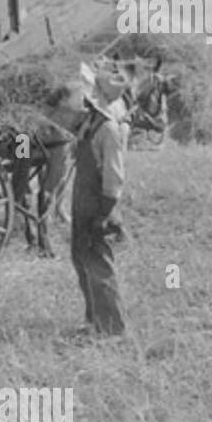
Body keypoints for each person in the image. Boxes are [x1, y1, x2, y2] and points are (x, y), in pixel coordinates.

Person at [68, 66, 131, 336]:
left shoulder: (108, 130)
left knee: (100, 266)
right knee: (81, 260)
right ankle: (94, 321)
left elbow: (114, 181)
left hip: (98, 206)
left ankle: (114, 330)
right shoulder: (88, 125)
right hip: (82, 203)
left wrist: (102, 217)